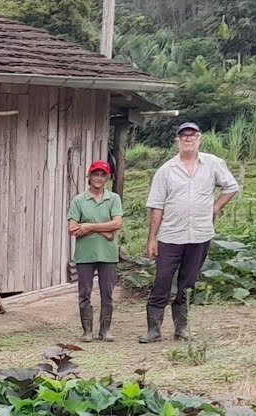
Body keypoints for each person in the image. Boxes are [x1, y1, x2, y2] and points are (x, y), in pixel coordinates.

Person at [140, 122, 241, 343]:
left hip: (200, 234)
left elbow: (231, 186)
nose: (188, 139)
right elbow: (156, 206)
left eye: (192, 135)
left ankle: (182, 328)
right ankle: (153, 329)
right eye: (183, 136)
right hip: (171, 236)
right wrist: (152, 239)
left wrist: (216, 207)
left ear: (199, 139)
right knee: (162, 281)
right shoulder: (166, 170)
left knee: (188, 282)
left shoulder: (213, 164)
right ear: (177, 141)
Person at [67, 160, 123, 342]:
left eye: (103, 175)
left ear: (107, 177)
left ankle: (105, 330)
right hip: (85, 254)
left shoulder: (113, 198)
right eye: (95, 174)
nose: (98, 178)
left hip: (107, 254)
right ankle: (87, 330)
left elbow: (117, 223)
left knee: (107, 292)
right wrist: (104, 230)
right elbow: (72, 228)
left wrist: (89, 226)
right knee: (85, 292)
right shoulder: (79, 200)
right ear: (89, 177)